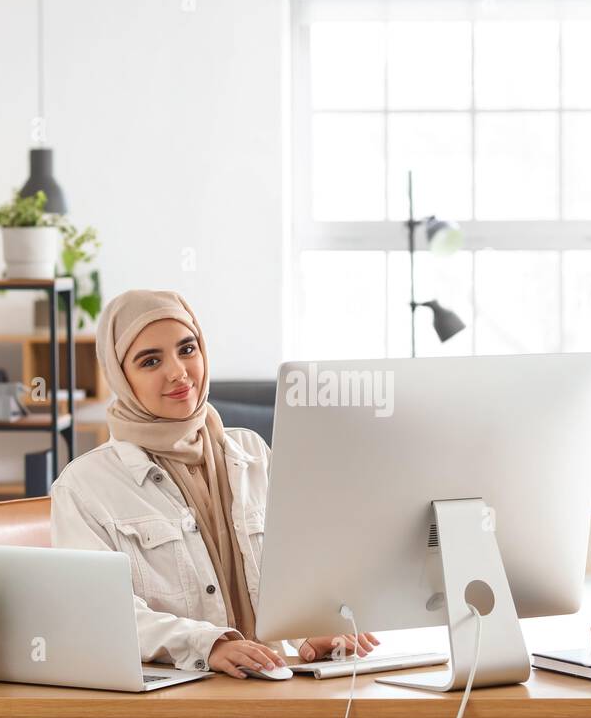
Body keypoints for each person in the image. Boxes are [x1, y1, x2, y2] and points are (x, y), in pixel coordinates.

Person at [50, 289, 378, 678]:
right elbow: (100, 612)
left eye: (187, 349)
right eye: (150, 361)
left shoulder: (253, 452)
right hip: (174, 702)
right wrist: (209, 645)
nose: (178, 371)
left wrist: (312, 629)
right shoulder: (84, 486)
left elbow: (298, 569)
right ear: (122, 378)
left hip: (278, 688)